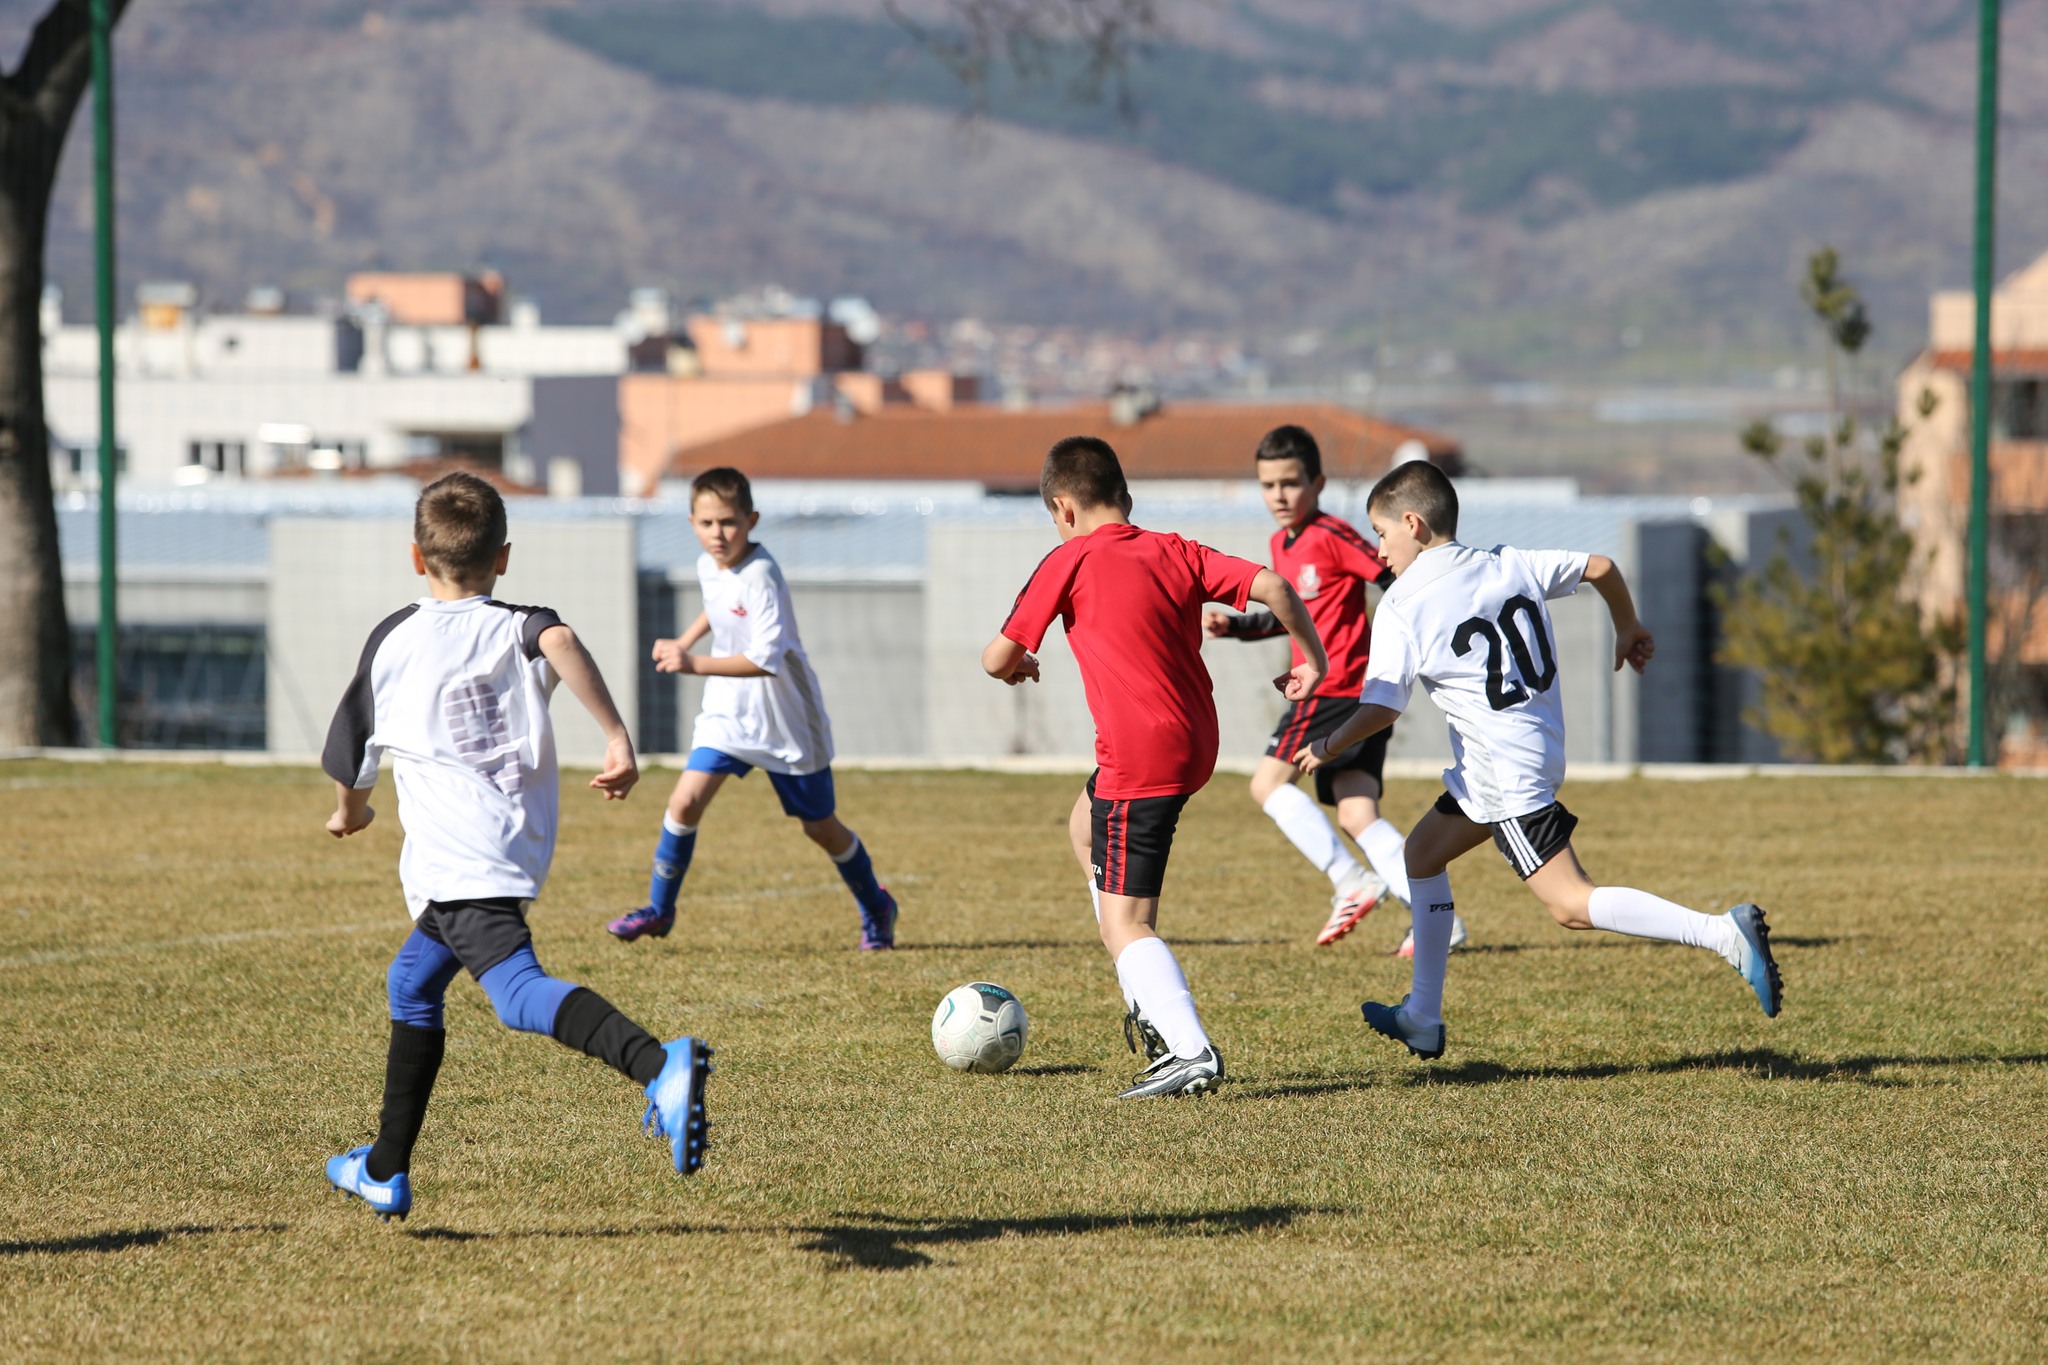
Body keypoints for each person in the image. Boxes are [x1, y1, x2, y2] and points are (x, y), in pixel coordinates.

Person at [321, 472, 710, 1222]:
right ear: (503, 556)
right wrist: (616, 737)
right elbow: (557, 638)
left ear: (415, 556)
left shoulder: (393, 637)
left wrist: (350, 812)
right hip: (500, 850)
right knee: (412, 984)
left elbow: (350, 753)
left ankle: (660, 1065)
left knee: (516, 995)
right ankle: (383, 1168)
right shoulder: (520, 625)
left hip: (459, 860)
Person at [1297, 459, 1783, 1060]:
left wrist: (1327, 744)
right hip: (1518, 758)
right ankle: (1422, 1015)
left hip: (1506, 775)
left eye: (1381, 532)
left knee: (1570, 905)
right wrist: (1626, 626)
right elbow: (1601, 567)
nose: (1379, 547)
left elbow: (1381, 709)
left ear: (1414, 524)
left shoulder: (1404, 604)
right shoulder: (1508, 561)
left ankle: (1721, 933)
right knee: (1420, 856)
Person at [983, 435, 1329, 1099]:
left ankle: (1189, 1046)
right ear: (1125, 498)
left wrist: (1021, 663)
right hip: (1196, 741)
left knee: (1126, 921)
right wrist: (1310, 658)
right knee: (1085, 826)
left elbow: (997, 658)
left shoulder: (1067, 558)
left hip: (1139, 756)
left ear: (1063, 507)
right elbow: (1275, 585)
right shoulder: (1173, 548)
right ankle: (1143, 989)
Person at [608, 467, 898, 950]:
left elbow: (765, 661)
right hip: (728, 711)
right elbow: (718, 603)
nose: (717, 534)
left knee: (820, 827)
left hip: (786, 720)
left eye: (728, 523)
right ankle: (659, 910)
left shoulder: (762, 575)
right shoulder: (710, 564)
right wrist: (685, 638)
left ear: (751, 520)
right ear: (692, 523)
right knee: (684, 802)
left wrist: (690, 660)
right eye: (706, 524)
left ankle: (876, 906)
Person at [1205, 425, 1468, 954]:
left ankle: (1351, 881)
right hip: (1357, 696)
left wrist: (1412, 629)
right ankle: (1438, 919)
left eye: (1290, 482)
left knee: (1265, 784)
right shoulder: (1282, 543)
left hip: (1338, 687)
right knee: (1356, 812)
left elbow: (1392, 573)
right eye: (1268, 485)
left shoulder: (1332, 534)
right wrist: (1237, 627)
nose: (1279, 495)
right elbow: (1295, 616)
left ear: (1318, 482)